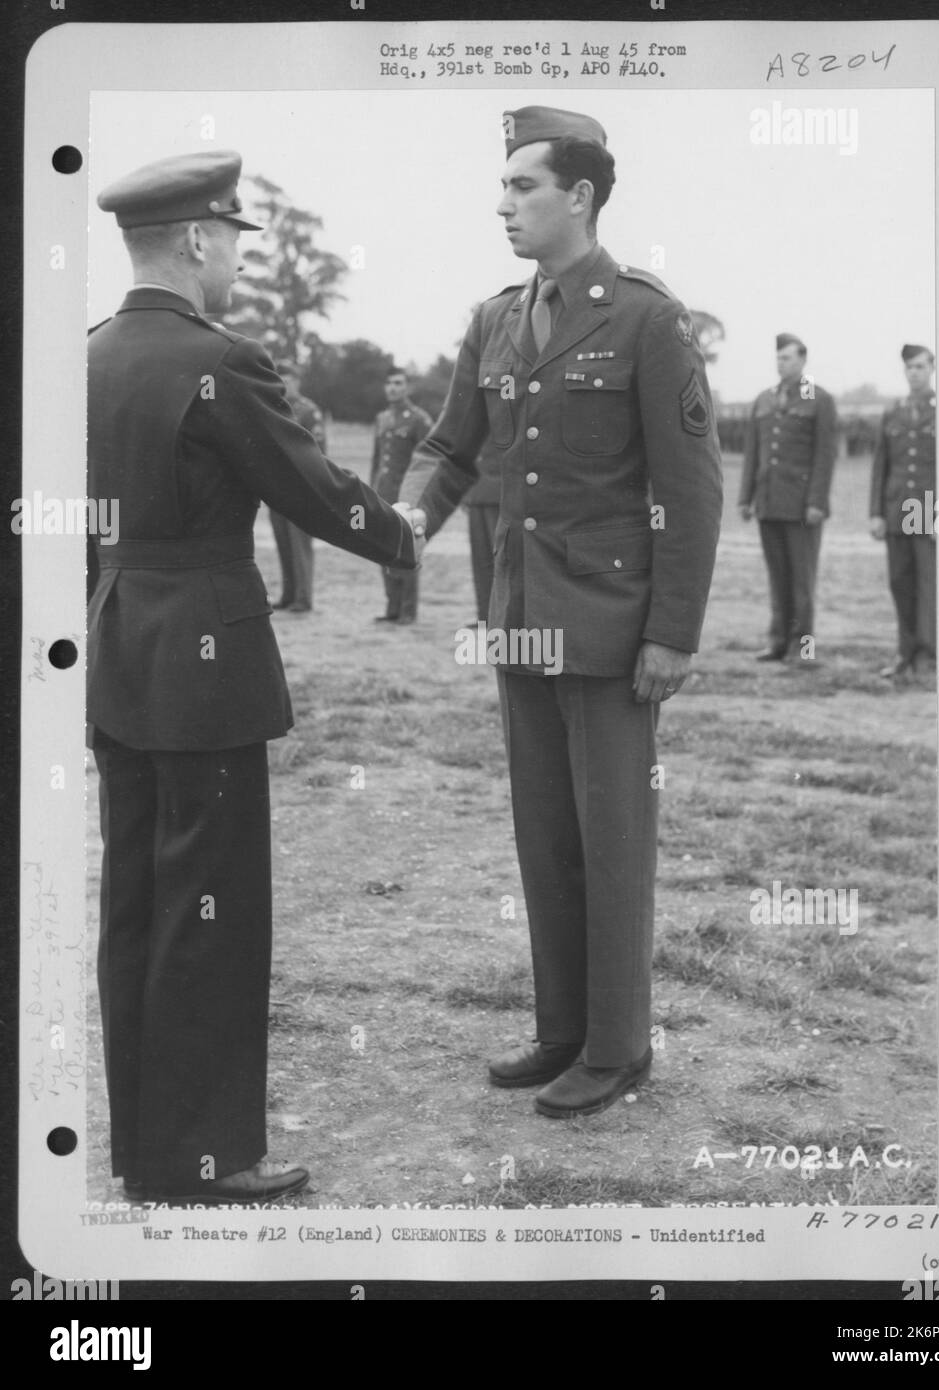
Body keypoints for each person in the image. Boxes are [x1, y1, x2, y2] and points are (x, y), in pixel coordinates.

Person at [87, 150, 421, 1205]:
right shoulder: (218, 361)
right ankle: (206, 1158)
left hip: (117, 655)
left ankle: (145, 1149)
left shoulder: (86, 354)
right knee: (212, 911)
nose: (237, 253)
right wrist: (404, 533)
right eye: (233, 235)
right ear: (194, 240)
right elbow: (312, 489)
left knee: (136, 902)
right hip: (206, 664)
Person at [399, 106, 723, 1118]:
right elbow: (454, 448)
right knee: (546, 833)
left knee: (611, 835)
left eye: (522, 186)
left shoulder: (644, 319)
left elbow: (694, 487)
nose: (504, 203)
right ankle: (564, 1027)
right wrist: (410, 512)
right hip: (521, 618)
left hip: (613, 625)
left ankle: (620, 1047)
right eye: (501, 186)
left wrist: (672, 632)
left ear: (578, 196)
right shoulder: (496, 316)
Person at [738, 334, 838, 664]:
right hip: (768, 503)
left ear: (803, 361)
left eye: (789, 358)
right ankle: (779, 642)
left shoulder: (818, 399)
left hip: (801, 507)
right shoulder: (764, 399)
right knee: (777, 577)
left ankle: (804, 649)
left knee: (802, 582)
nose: (782, 364)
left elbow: (825, 456)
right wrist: (745, 497)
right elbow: (753, 453)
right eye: (779, 358)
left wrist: (817, 503)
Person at [869, 344, 937, 681]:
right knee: (900, 583)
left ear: (932, 369)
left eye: (921, 366)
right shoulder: (893, 411)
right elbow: (881, 465)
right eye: (910, 367)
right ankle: (904, 652)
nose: (915, 373)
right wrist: (876, 513)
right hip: (896, 512)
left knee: (927, 585)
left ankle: (926, 655)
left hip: (928, 513)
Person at [369, 368, 433, 624]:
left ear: (407, 387)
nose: (392, 388)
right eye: (388, 383)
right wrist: (372, 490)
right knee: (383, 550)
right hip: (383, 494)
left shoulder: (419, 419)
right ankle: (392, 607)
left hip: (407, 495)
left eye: (398, 383)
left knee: (407, 552)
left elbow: (427, 460)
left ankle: (408, 610)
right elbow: (377, 460)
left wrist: (419, 495)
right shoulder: (382, 418)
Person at [268, 363, 325, 613]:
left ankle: (303, 598)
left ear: (299, 382)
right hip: (277, 488)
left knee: (300, 545)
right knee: (283, 543)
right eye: (281, 378)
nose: (285, 383)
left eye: (290, 379)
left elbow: (319, 453)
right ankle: (289, 595)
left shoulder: (310, 411)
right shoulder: (273, 408)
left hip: (302, 489)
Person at [462, 439, 502, 623]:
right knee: (481, 560)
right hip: (477, 493)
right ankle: (484, 616)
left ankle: (501, 617)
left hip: (500, 494)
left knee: (501, 561)